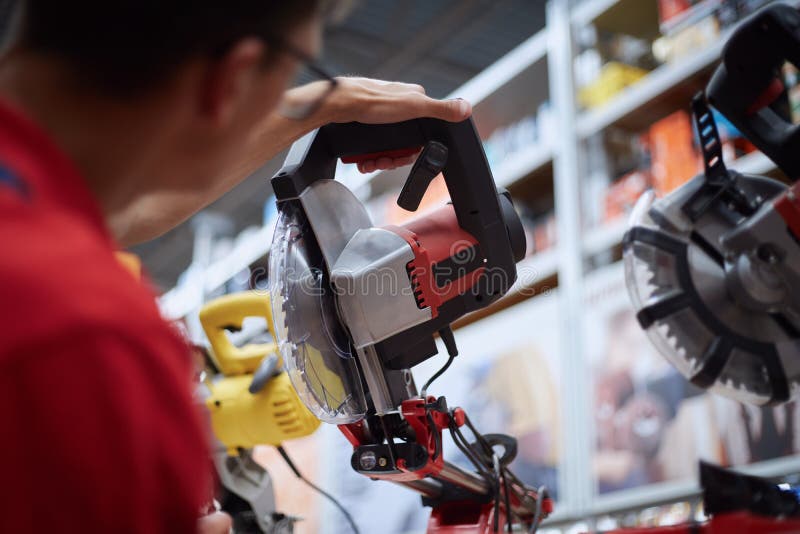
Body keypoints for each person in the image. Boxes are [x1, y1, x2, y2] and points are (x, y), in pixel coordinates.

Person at [0, 1, 472, 532]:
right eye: (299, 67)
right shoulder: (88, 339)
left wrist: (324, 104)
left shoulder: (30, 206)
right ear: (233, 79)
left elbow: (133, 209)